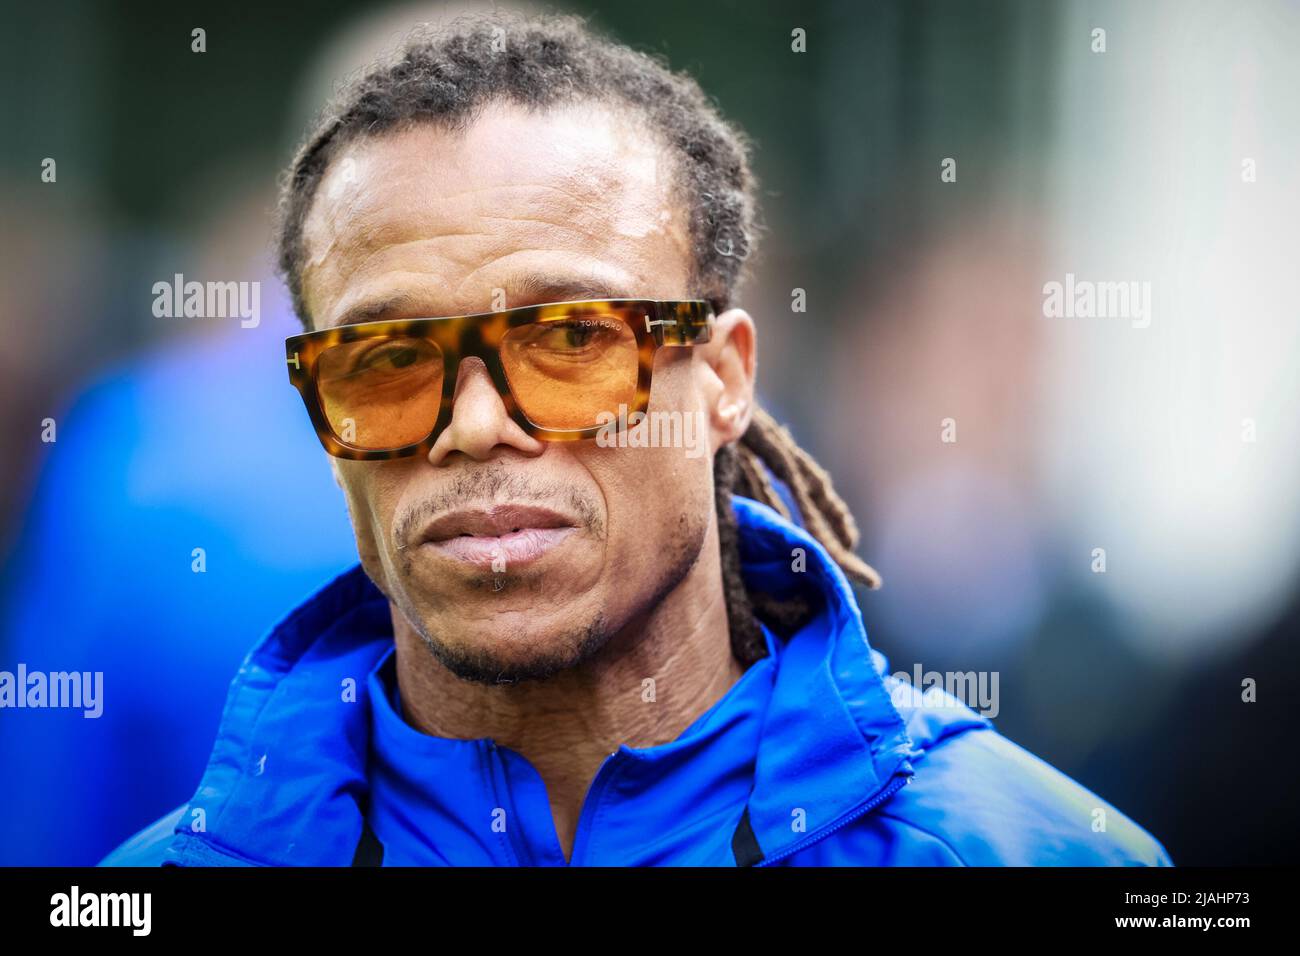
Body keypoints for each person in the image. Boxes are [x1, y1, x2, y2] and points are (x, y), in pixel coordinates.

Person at [101, 10, 1170, 867]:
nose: (475, 423)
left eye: (571, 336)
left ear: (724, 380)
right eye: (388, 360)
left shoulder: (1025, 848)